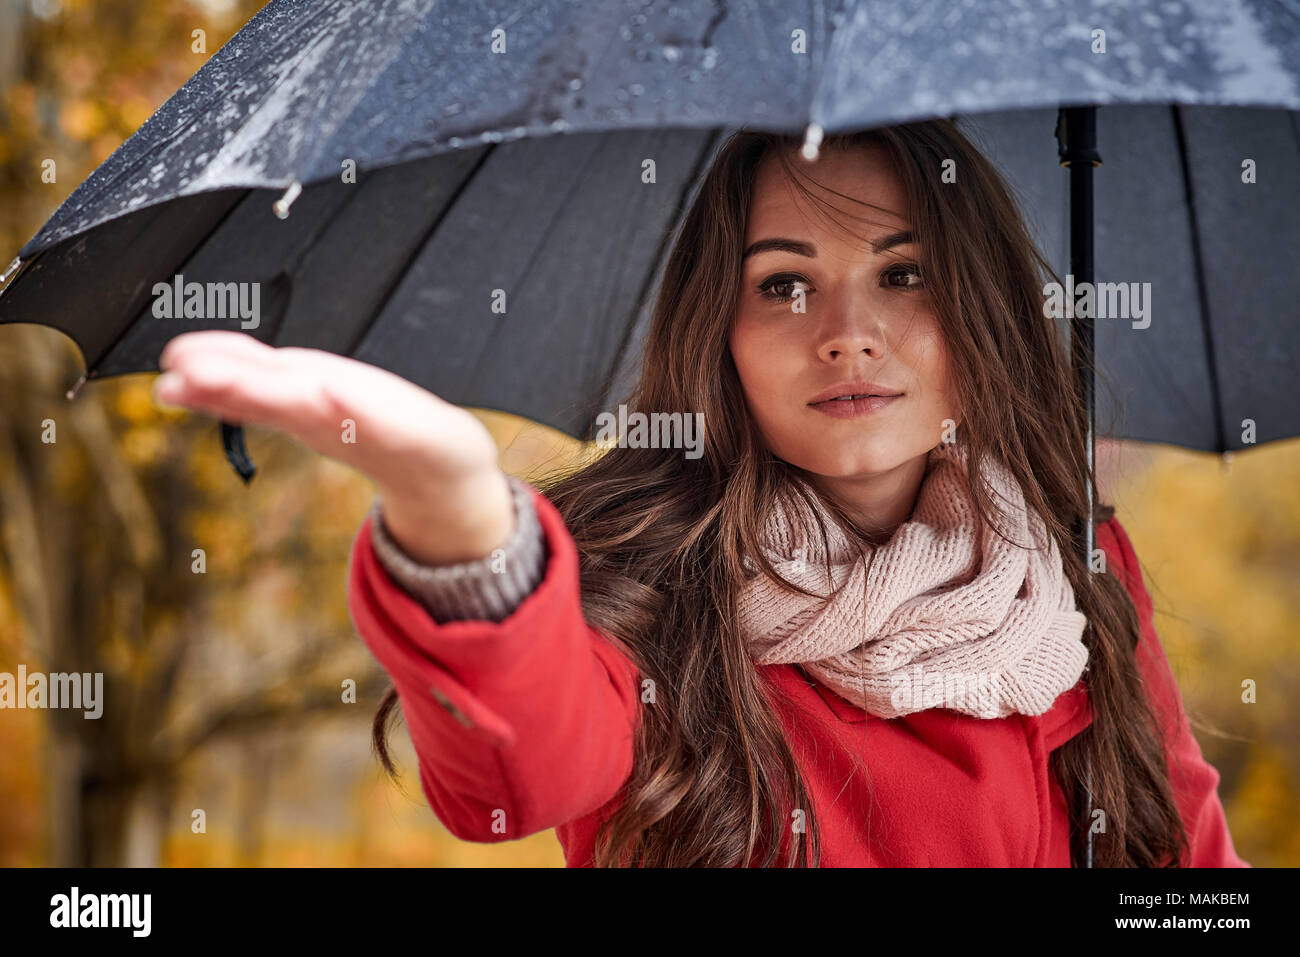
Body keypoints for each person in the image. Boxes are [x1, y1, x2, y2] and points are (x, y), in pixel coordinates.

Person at [153, 120, 1248, 867]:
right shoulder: (645, 587)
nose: (847, 333)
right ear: (714, 338)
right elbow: (515, 774)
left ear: (980, 308)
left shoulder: (1073, 567)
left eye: (903, 274)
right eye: (782, 284)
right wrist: (458, 524)